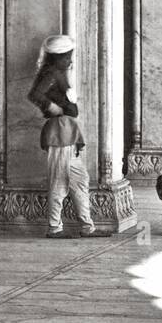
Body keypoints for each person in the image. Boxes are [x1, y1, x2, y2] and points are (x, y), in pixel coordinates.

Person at [27, 34, 107, 239]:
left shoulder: (58, 71)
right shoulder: (52, 72)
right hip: (60, 132)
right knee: (59, 183)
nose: (70, 60)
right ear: (57, 57)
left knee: (80, 181)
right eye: (67, 56)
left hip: (67, 133)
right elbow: (35, 95)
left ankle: (87, 227)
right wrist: (53, 108)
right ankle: (54, 228)